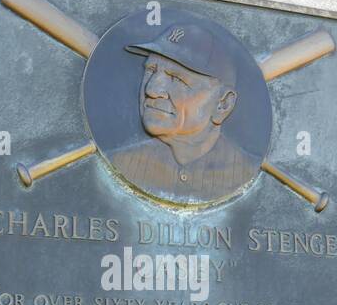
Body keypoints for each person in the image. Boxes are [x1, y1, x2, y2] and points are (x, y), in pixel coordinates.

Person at [109, 24, 259, 205]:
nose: (152, 89)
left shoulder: (245, 172)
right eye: (151, 70)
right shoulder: (120, 163)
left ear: (223, 104)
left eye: (176, 78)